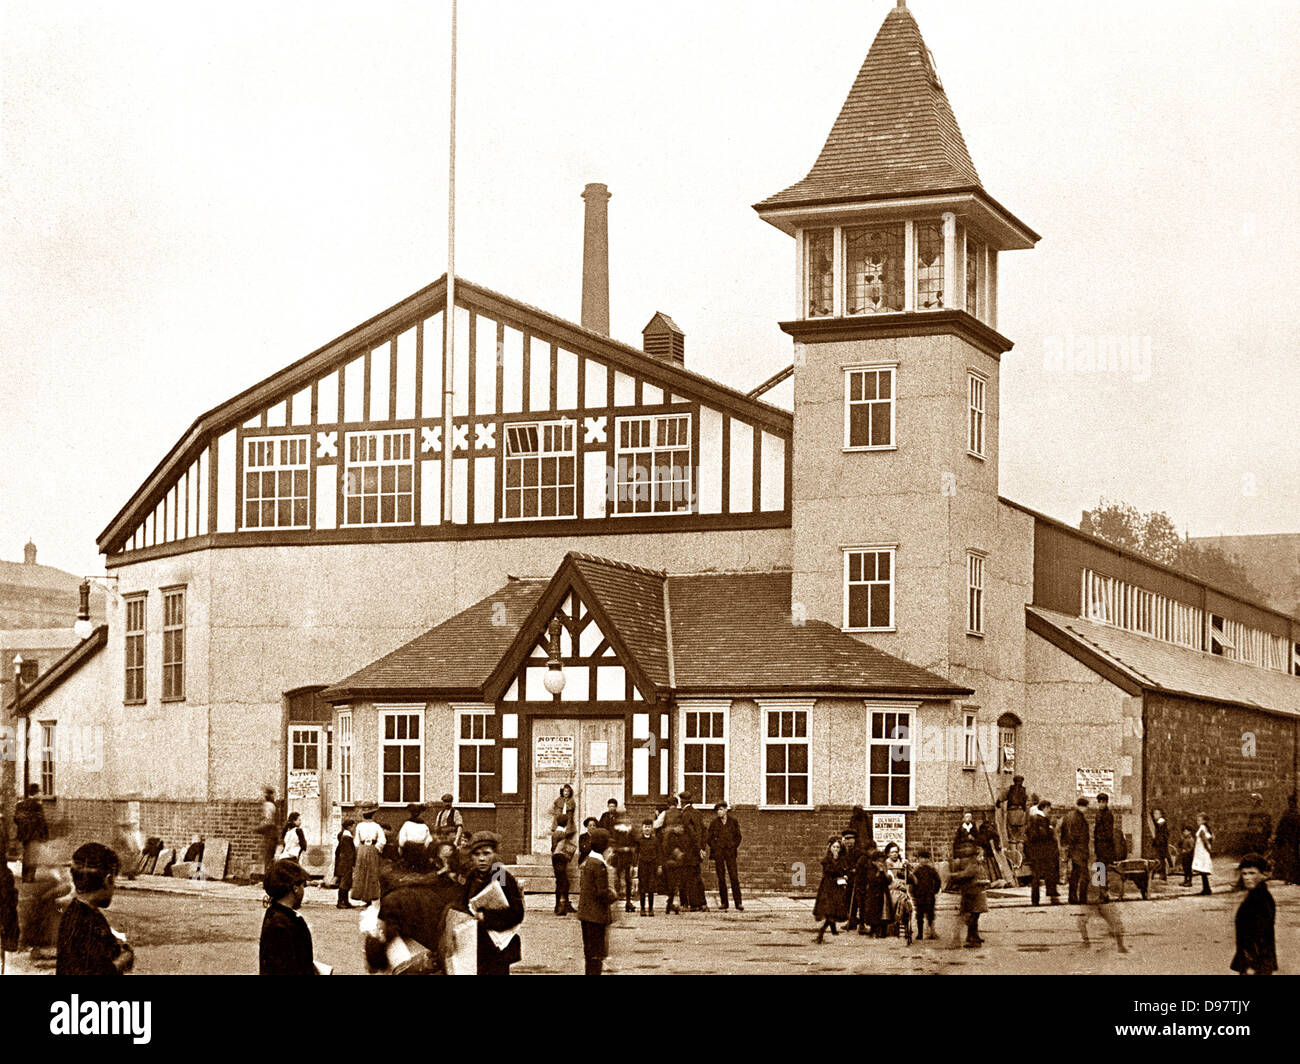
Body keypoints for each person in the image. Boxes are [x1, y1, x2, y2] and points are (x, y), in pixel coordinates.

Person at [55, 843, 133, 976]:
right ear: (108, 880)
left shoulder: (75, 913)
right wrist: (123, 959)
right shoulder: (88, 921)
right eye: (114, 881)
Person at [463, 832, 524, 975]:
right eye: (476, 854)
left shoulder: (501, 876)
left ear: (495, 854)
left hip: (498, 947)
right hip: (475, 945)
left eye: (486, 853)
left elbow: (517, 913)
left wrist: (486, 917)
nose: (481, 859)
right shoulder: (471, 877)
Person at [259, 858, 316, 975]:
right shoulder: (281, 924)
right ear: (295, 888)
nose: (303, 890)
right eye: (302, 885)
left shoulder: (277, 914)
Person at [578, 828, 617, 975]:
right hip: (596, 917)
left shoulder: (589, 861)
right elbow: (602, 892)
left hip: (586, 915)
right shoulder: (599, 865)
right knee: (596, 955)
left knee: (590, 955)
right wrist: (613, 895)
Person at [1230, 854, 1276, 975]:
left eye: (1252, 873)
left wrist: (1252, 965)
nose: (1247, 878)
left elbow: (1260, 935)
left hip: (1256, 962)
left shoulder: (1261, 899)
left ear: (1263, 874)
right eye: (1244, 873)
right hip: (1253, 960)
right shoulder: (1254, 895)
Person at [1077, 866, 1127, 953]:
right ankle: (1120, 945)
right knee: (1114, 921)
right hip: (1098, 900)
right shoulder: (1105, 871)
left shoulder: (1090, 872)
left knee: (1082, 921)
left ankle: (1086, 942)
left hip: (1093, 900)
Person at [949, 839, 989, 948]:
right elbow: (965, 875)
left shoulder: (978, 866)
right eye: (980, 856)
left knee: (975, 917)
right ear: (975, 857)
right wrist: (953, 876)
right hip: (973, 895)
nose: (982, 858)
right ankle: (971, 937)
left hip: (977, 894)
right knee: (972, 918)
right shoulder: (974, 866)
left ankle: (974, 936)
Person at [706, 801, 744, 912]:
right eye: (717, 810)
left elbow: (738, 837)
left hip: (730, 853)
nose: (719, 812)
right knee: (721, 878)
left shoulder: (733, 822)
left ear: (726, 810)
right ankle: (724, 902)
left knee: (734, 877)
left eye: (721, 809)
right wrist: (716, 847)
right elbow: (709, 839)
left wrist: (733, 846)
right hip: (719, 854)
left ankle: (738, 903)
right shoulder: (714, 823)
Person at [813, 837, 850, 943]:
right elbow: (828, 872)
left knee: (834, 909)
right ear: (830, 848)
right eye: (834, 847)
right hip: (828, 887)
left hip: (838, 887)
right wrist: (839, 876)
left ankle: (833, 930)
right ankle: (821, 933)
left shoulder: (842, 860)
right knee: (830, 910)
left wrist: (845, 876)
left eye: (838, 847)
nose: (836, 849)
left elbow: (845, 870)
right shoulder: (827, 860)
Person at [1025, 800, 1060, 906]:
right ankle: (1040, 898)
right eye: (1049, 808)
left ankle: (1036, 900)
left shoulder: (1033, 819)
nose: (1050, 810)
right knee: (1041, 876)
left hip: (1036, 853)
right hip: (1043, 853)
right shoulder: (1040, 820)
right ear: (1044, 808)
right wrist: (1049, 831)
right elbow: (1042, 835)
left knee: (1036, 877)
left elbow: (1028, 834)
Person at [678, 791, 707, 912]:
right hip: (696, 851)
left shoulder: (684, 815)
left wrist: (697, 847)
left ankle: (692, 904)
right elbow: (704, 831)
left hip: (688, 851)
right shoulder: (698, 813)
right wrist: (702, 848)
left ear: (682, 801)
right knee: (697, 877)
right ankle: (702, 903)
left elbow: (691, 833)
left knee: (687, 878)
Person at [14, 784, 49, 883]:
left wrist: (23, 828)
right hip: (34, 834)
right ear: (36, 793)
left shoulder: (20, 804)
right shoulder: (37, 806)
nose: (41, 794)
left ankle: (25, 876)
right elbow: (42, 822)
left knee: (26, 854)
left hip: (24, 835)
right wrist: (45, 836)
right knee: (33, 855)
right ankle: (30, 877)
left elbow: (16, 819)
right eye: (40, 792)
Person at [1059, 798, 1091, 904]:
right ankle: (1082, 898)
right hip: (1079, 850)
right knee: (1085, 876)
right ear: (1082, 806)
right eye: (1085, 806)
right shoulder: (1078, 818)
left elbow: (1063, 832)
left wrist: (1067, 846)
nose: (1086, 809)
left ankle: (1072, 897)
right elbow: (1076, 835)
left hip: (1073, 850)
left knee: (1075, 874)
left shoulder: (1069, 816)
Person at [352, 806, 386, 904]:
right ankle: (366, 896)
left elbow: (356, 841)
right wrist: (377, 848)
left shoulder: (361, 826)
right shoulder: (376, 826)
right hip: (371, 848)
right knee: (370, 871)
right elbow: (382, 840)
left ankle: (367, 897)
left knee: (364, 871)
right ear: (372, 816)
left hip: (364, 848)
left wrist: (359, 849)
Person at [609, 808, 638, 913]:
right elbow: (612, 843)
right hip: (618, 857)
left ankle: (628, 901)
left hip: (628, 858)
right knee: (617, 879)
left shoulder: (630, 830)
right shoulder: (615, 830)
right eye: (622, 817)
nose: (624, 819)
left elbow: (635, 842)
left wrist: (631, 849)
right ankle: (615, 901)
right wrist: (621, 848)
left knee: (628, 880)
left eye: (625, 817)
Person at [909, 849, 941, 940]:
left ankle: (931, 932)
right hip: (919, 896)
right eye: (922, 858)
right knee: (919, 915)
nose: (924, 860)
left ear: (928, 859)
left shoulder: (931, 870)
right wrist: (913, 894)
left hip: (929, 896)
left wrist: (935, 891)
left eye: (926, 858)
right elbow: (912, 883)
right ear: (918, 859)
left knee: (930, 914)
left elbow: (938, 880)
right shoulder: (916, 871)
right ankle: (920, 933)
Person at [549, 811, 577, 916]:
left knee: (560, 882)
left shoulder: (556, 833)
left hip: (556, 860)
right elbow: (559, 849)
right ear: (566, 823)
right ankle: (562, 906)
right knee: (564, 883)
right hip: (560, 860)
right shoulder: (561, 834)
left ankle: (559, 905)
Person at [1092, 793, 1117, 897]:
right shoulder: (1099, 813)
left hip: (1106, 847)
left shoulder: (1107, 815)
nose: (1101, 804)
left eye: (1103, 802)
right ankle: (1102, 892)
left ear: (1106, 802)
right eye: (1100, 802)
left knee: (1103, 869)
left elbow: (1108, 833)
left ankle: (1104, 892)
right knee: (1101, 869)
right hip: (1100, 847)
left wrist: (1100, 839)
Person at [635, 819, 661, 916]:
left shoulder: (655, 840)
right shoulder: (639, 840)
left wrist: (659, 866)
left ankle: (650, 909)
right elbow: (636, 854)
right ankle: (642, 908)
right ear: (642, 828)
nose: (647, 829)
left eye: (649, 827)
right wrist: (634, 866)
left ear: (652, 829)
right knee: (642, 888)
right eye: (645, 827)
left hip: (652, 866)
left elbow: (659, 854)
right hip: (642, 866)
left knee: (651, 888)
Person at [1272, 794, 1300, 885]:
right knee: (1292, 859)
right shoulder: (1296, 813)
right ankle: (1292, 878)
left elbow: (1281, 827)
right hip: (1293, 840)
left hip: (1288, 840)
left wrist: (1278, 837)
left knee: (1288, 859)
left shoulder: (1287, 813)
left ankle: (1289, 877)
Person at [661, 825, 687, 915]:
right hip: (673, 863)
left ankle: (669, 904)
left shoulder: (668, 835)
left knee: (672, 884)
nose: (682, 829)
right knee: (673, 883)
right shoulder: (672, 837)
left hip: (671, 862)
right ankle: (670, 904)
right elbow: (671, 849)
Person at [840, 830, 863, 930]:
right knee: (849, 901)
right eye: (846, 839)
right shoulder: (844, 852)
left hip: (859, 880)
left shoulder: (859, 852)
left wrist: (856, 869)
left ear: (855, 840)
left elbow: (862, 865)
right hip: (850, 880)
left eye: (850, 839)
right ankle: (852, 921)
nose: (848, 842)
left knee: (860, 901)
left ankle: (862, 923)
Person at [256, 786, 279, 880]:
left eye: (266, 793)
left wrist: (258, 828)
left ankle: (268, 880)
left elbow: (268, 821)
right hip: (272, 833)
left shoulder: (268, 805)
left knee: (268, 857)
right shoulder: (272, 805)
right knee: (269, 857)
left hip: (270, 833)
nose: (264, 795)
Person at [999, 775, 1029, 841]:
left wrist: (998, 803)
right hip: (1021, 812)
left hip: (1011, 811)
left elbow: (1001, 797)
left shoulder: (1009, 789)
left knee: (1011, 831)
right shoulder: (1025, 791)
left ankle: (1012, 844)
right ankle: (1019, 846)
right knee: (1020, 831)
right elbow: (1028, 801)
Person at [334, 820, 357, 909]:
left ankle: (345, 901)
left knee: (347, 882)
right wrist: (352, 863)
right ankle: (340, 902)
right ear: (349, 827)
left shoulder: (345, 836)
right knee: (344, 882)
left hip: (344, 863)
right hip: (346, 863)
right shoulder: (346, 837)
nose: (353, 828)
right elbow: (349, 853)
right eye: (353, 826)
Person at [1193, 813, 1214, 895]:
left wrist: (1208, 849)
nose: (1197, 822)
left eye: (1199, 820)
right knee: (1202, 871)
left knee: (1203, 870)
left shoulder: (1202, 828)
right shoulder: (1206, 828)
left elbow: (1205, 840)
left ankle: (1206, 889)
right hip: (1201, 850)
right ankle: (1206, 888)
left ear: (1204, 821)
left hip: (1202, 851)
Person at [1149, 807, 1171, 879]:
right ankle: (1162, 875)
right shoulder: (1158, 822)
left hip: (1161, 844)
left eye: (1157, 813)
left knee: (1159, 859)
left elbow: (1162, 834)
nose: (1155, 815)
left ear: (1161, 815)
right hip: (1160, 843)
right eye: (1154, 813)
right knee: (1161, 859)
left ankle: (1160, 875)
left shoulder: (1161, 822)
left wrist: (1157, 841)